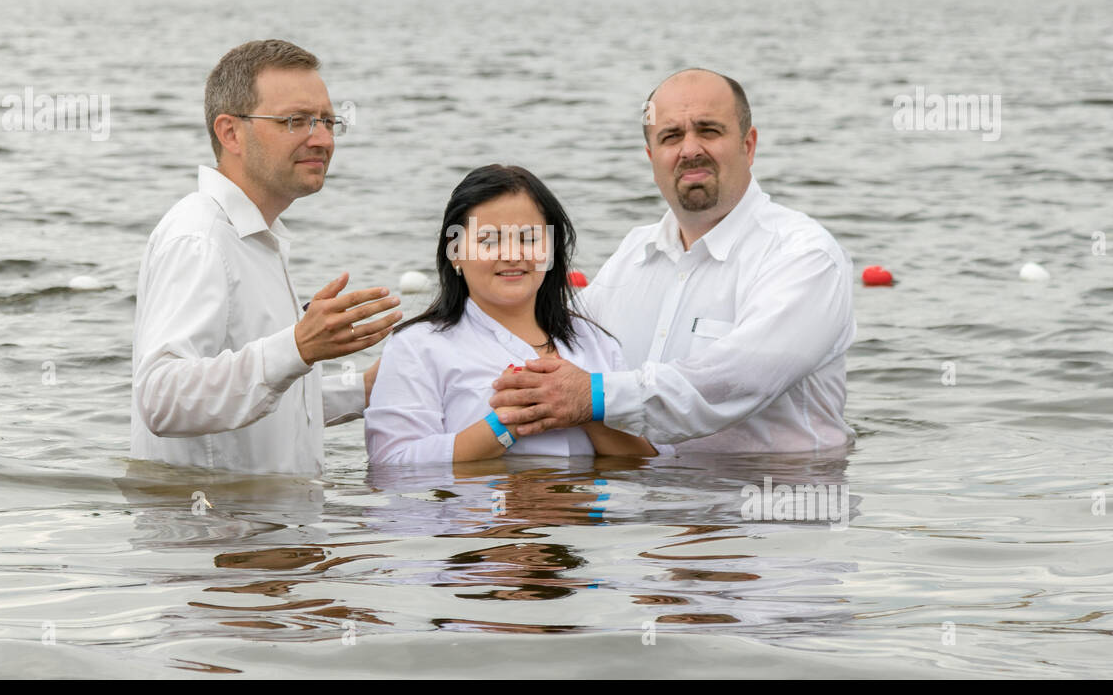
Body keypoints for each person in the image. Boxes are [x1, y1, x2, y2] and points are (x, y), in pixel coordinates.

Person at [489, 68, 856, 454]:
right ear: (651, 156)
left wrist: (594, 396)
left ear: (748, 145)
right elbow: (563, 345)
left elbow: (740, 379)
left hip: (770, 499)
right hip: (649, 501)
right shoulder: (634, 253)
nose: (690, 149)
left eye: (709, 131)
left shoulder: (804, 256)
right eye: (671, 136)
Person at [131, 39, 400, 474]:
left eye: (329, 122)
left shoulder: (258, 236)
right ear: (230, 132)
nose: (323, 139)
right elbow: (163, 400)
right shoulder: (200, 239)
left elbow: (268, 396)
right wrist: (299, 346)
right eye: (296, 121)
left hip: (270, 530)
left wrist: (365, 389)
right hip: (218, 535)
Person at [364, 165, 665, 465]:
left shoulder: (596, 342)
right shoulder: (416, 346)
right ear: (455, 252)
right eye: (489, 241)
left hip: (581, 511)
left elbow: (653, 461)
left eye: (529, 238)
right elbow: (392, 463)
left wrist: (582, 408)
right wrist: (507, 423)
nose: (512, 254)